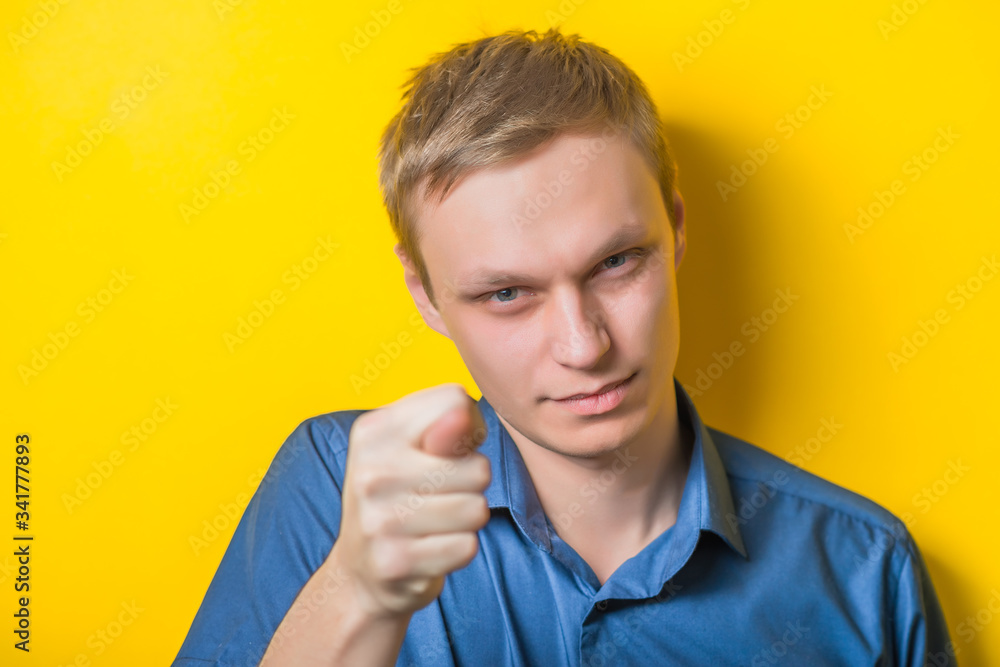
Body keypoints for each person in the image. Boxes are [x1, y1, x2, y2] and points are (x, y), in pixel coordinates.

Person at [173, 28, 956, 666]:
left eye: (617, 262)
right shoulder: (330, 487)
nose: (584, 346)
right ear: (424, 294)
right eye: (506, 293)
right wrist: (354, 593)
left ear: (675, 229)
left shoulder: (862, 568)